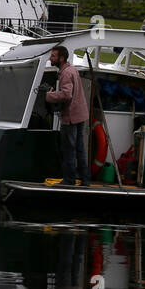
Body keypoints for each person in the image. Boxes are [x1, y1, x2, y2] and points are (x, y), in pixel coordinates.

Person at [44, 45, 90, 186]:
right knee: (79, 148)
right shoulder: (72, 70)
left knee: (68, 149)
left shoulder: (65, 73)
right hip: (80, 115)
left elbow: (66, 94)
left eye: (53, 56)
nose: (50, 58)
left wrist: (49, 96)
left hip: (70, 117)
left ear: (61, 58)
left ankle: (69, 180)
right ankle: (85, 179)